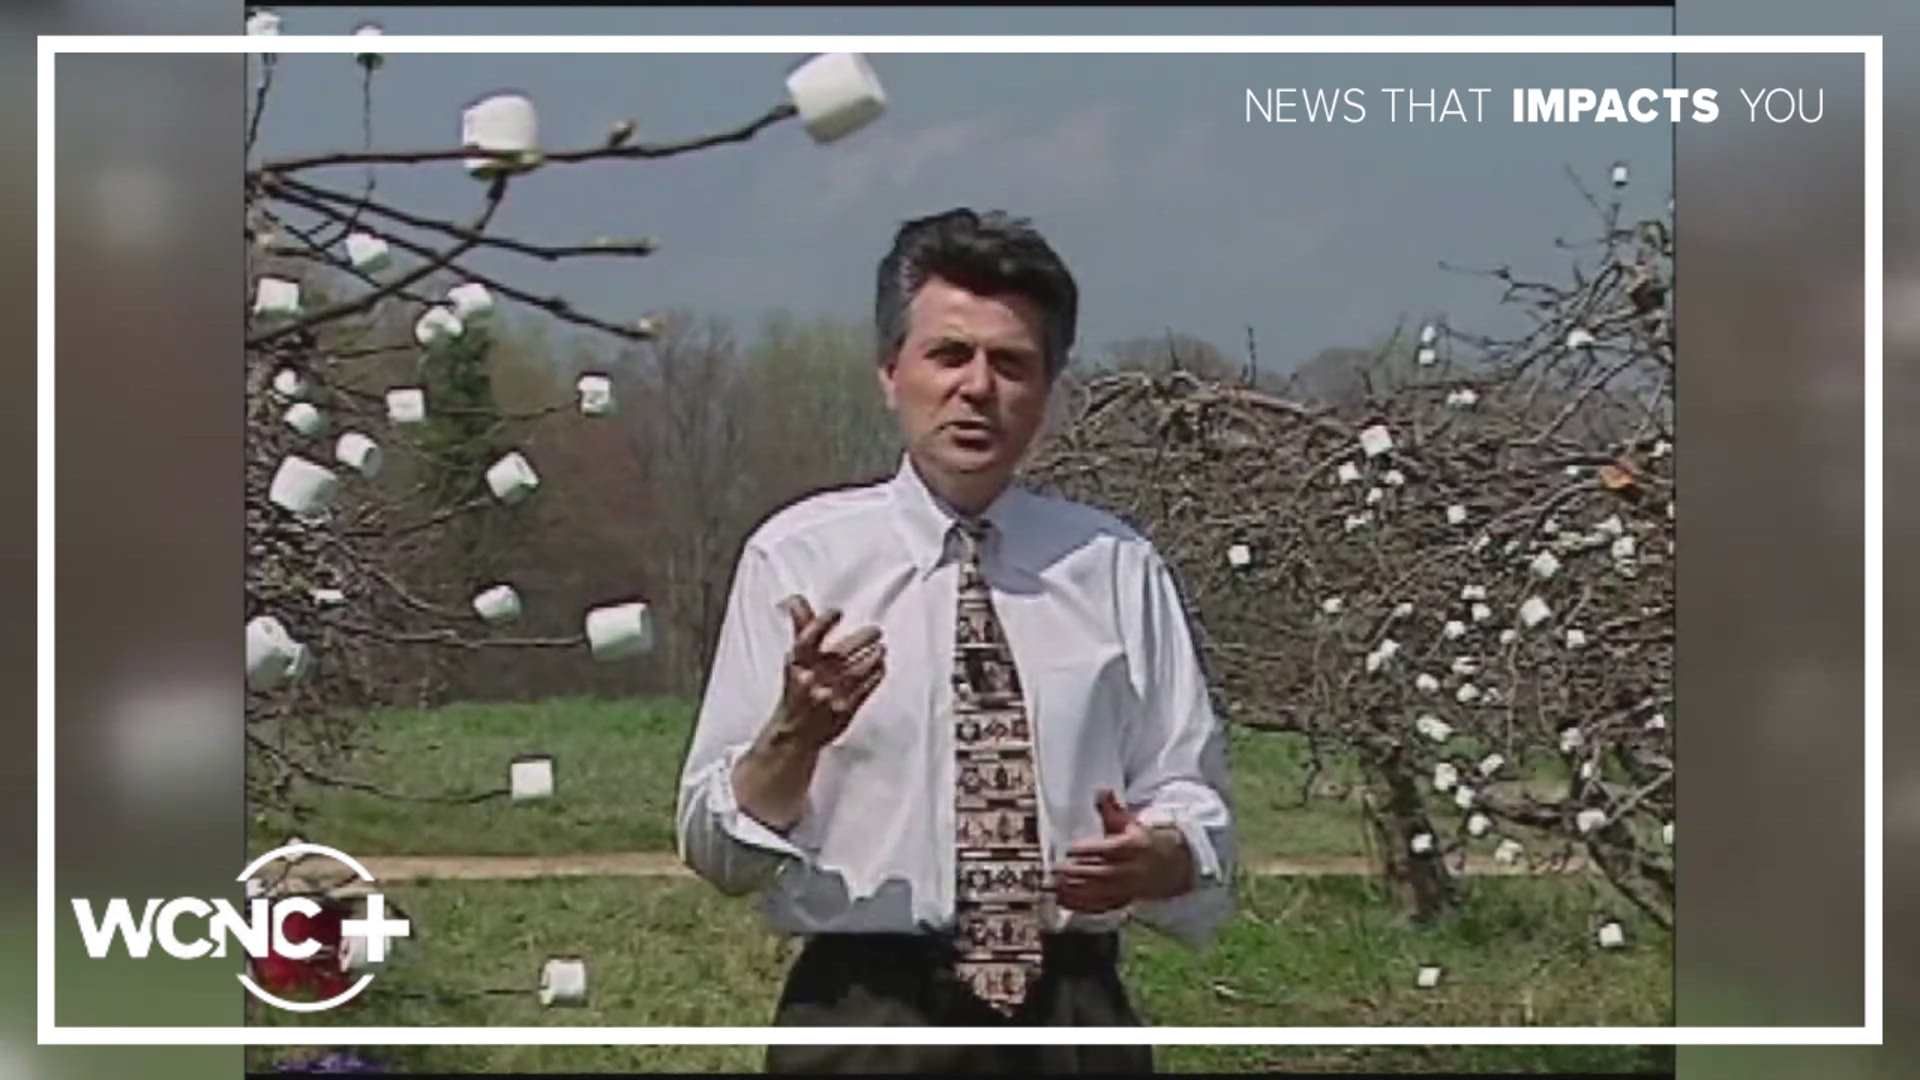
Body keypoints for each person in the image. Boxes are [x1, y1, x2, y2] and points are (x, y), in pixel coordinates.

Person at [676, 208, 1234, 1074]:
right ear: (889, 371)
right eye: (949, 356)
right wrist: (795, 732)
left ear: (1047, 387)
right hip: (868, 1018)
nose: (978, 387)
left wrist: (1159, 856)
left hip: (1072, 1020)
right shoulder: (799, 561)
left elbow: (1197, 807)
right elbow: (716, 851)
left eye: (1012, 363)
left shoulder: (1116, 567)